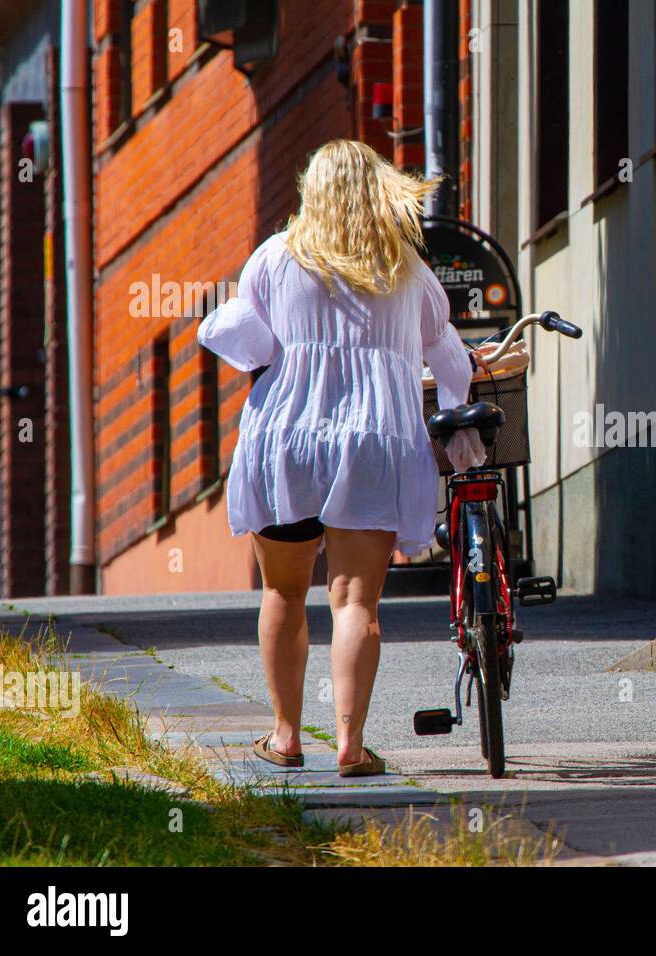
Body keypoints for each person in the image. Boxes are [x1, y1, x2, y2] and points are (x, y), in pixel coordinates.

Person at [197, 139, 484, 777]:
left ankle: (286, 736)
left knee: (283, 589)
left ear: (311, 191)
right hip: (374, 441)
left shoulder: (275, 258)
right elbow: (449, 357)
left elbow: (253, 344)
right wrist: (460, 421)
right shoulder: (407, 269)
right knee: (355, 601)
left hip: (288, 439)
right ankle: (352, 746)